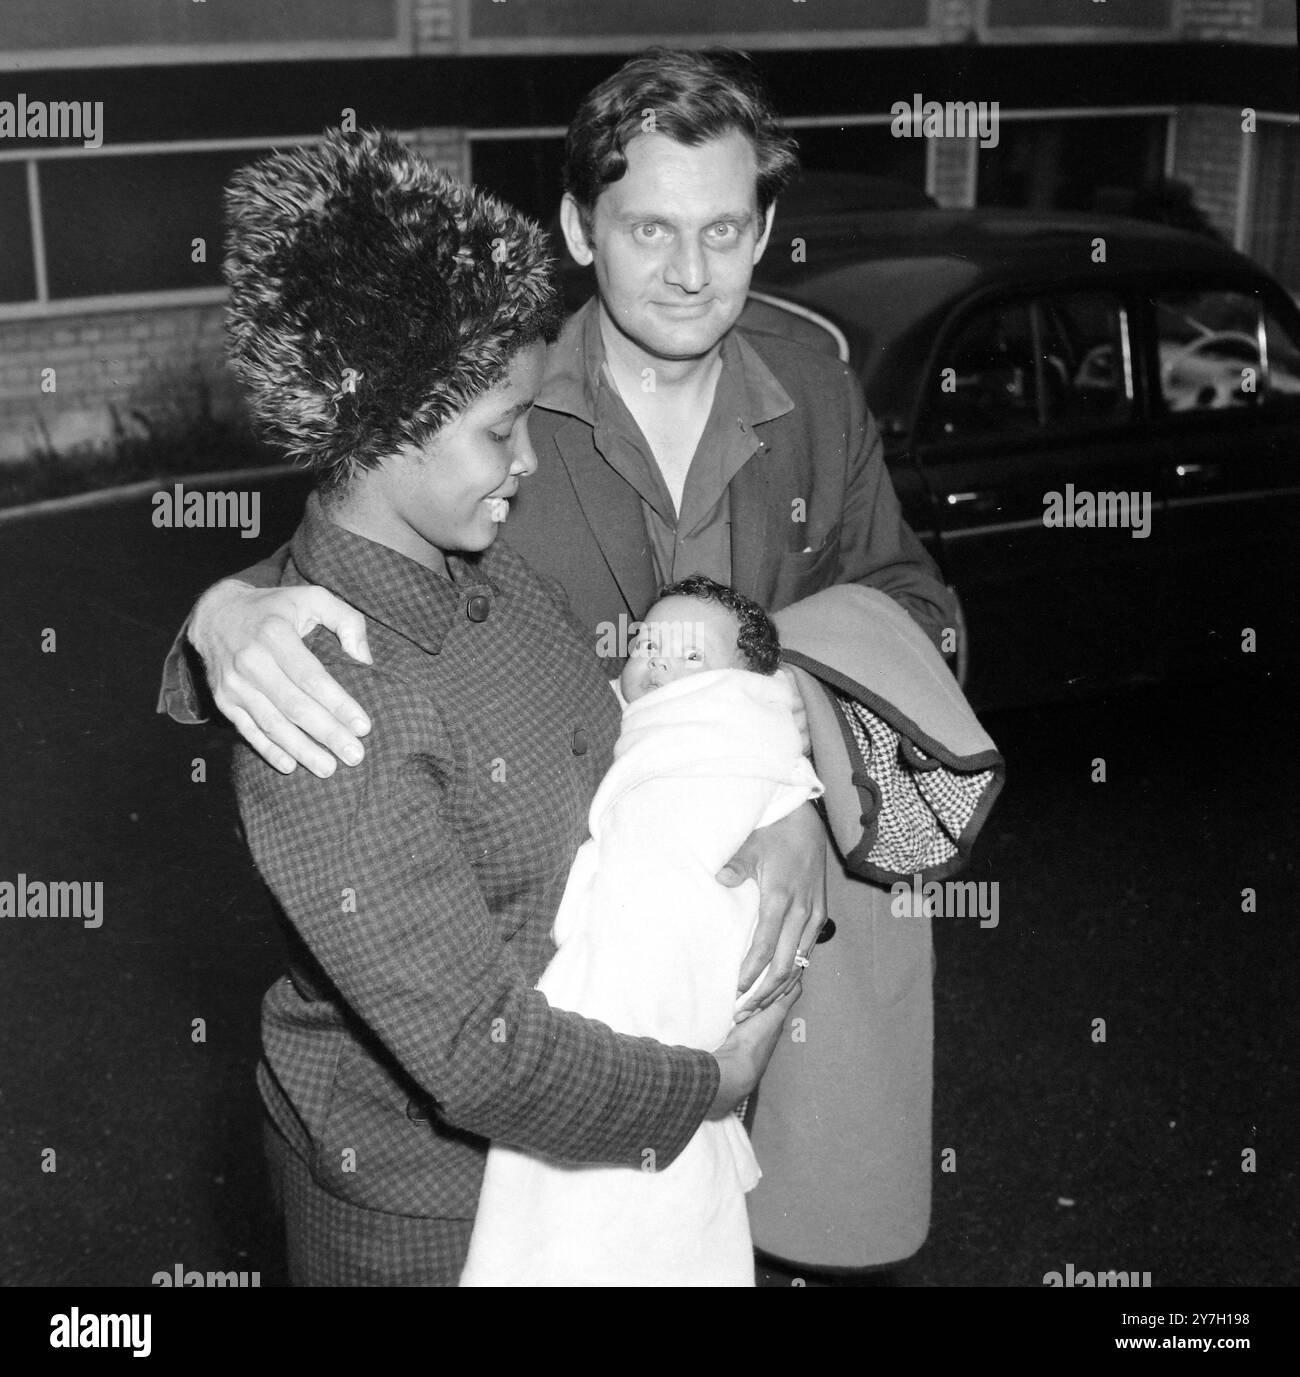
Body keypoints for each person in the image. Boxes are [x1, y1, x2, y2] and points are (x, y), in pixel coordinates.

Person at [160, 48, 959, 1273]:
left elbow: (908, 605)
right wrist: (216, 614)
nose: (690, 274)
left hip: (758, 955)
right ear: (580, 228)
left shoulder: (815, 384)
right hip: (548, 1031)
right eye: (648, 228)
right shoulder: (497, 383)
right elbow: (346, 558)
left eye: (724, 229)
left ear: (765, 229)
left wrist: (785, 778)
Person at [214, 126, 800, 1286]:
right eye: (499, 430)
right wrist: (712, 1086)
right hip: (433, 1214)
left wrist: (773, 799)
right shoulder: (326, 706)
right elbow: (480, 1058)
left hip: (572, 1180)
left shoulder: (494, 579)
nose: (528, 462)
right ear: (378, 426)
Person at [460, 577, 822, 1287]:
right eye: (647, 644)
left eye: (691, 657)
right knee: (589, 1171)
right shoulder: (620, 719)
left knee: (633, 1176)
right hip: (607, 973)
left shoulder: (737, 725)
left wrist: (793, 794)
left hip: (681, 959)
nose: (659, 664)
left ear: (747, 682)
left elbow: (773, 759)